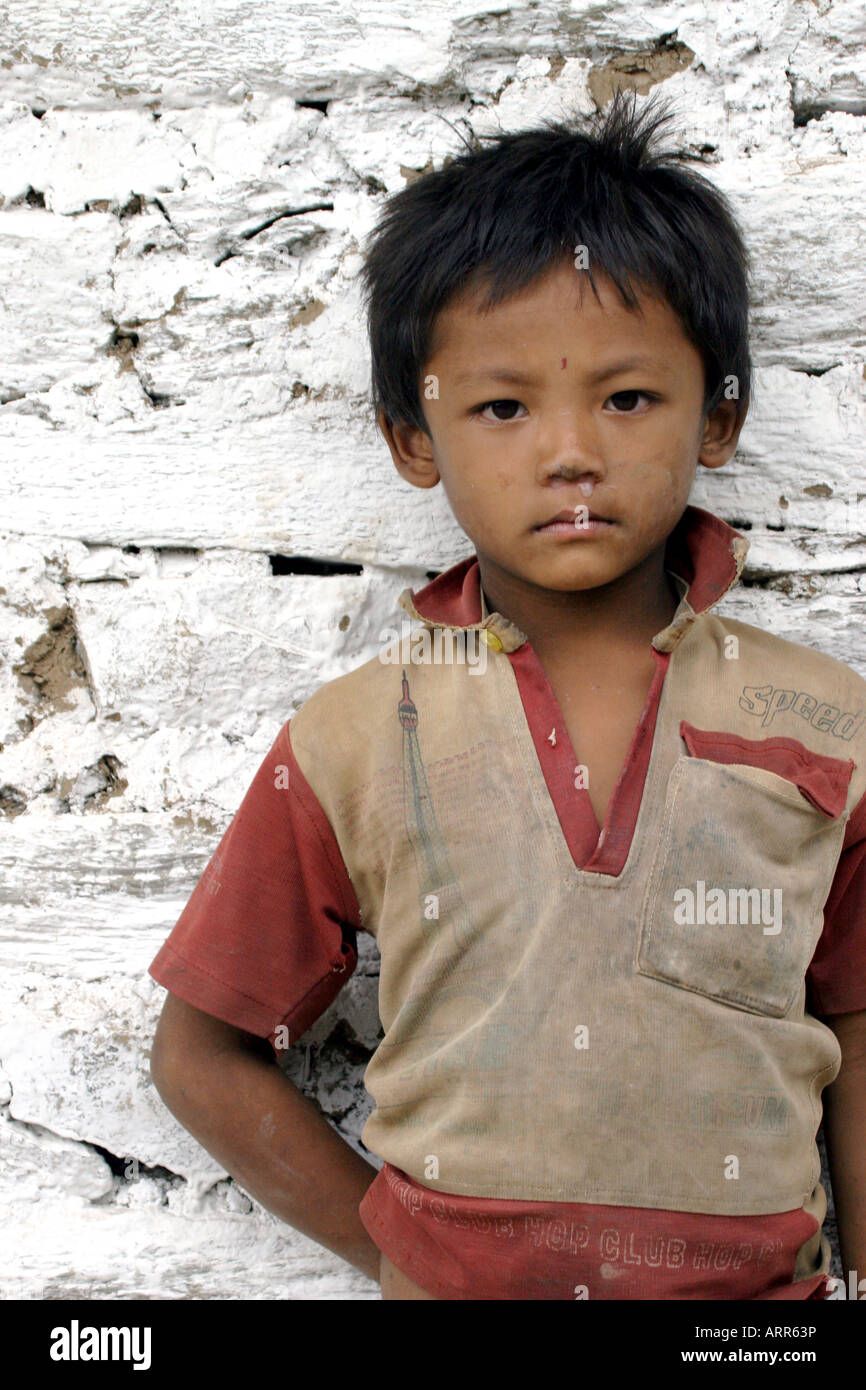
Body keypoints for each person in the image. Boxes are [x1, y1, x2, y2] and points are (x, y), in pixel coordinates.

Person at [147, 88, 866, 1300]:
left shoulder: (823, 723)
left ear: (719, 412)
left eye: (626, 397)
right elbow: (202, 1052)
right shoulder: (358, 735)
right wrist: (392, 1253)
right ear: (411, 438)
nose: (568, 449)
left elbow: (853, 1024)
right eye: (501, 406)